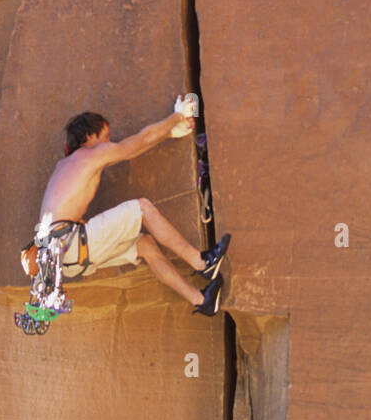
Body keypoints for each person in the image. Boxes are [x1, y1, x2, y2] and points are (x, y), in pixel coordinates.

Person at [26, 94, 230, 316]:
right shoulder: (92, 155)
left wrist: (168, 133)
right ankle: (202, 263)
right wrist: (177, 116)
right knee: (141, 208)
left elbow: (132, 149)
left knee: (145, 246)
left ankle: (202, 300)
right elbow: (137, 143)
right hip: (72, 244)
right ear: (90, 136)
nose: (110, 143)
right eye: (107, 136)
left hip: (64, 261)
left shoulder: (64, 166)